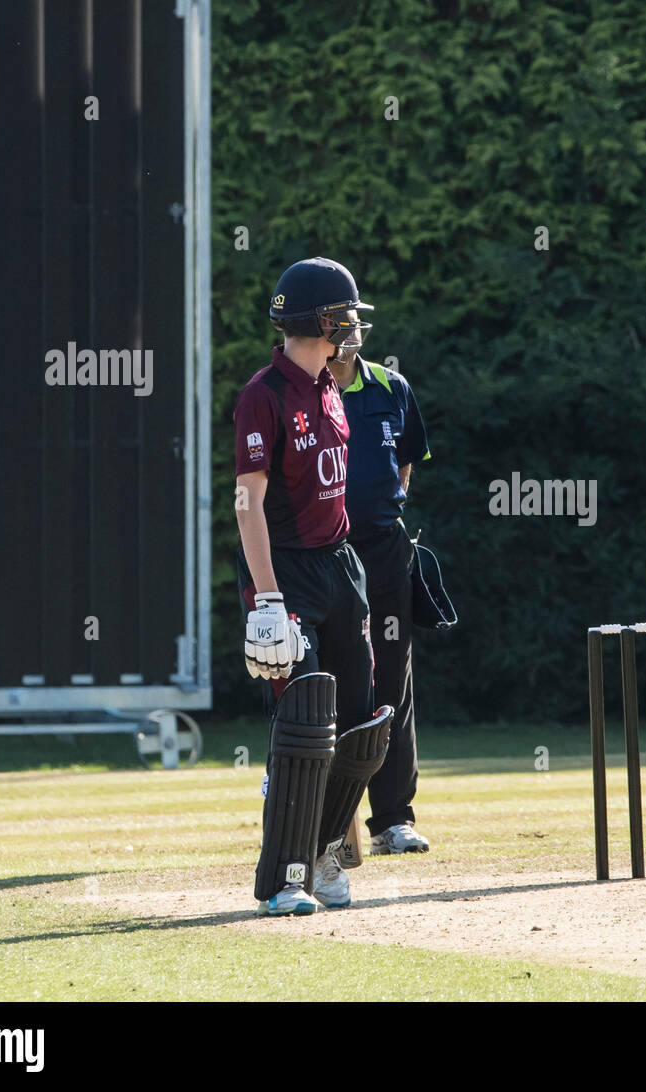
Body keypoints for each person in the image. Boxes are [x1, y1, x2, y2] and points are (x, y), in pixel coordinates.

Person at [233, 257, 393, 915]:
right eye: (344, 316)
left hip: (339, 564)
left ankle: (327, 850)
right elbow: (247, 502)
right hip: (289, 573)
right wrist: (267, 598)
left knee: (360, 724)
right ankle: (283, 878)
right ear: (318, 319)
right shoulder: (263, 393)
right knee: (303, 728)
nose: (353, 328)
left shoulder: (331, 383)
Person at [338, 339, 432, 853]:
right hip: (322, 553)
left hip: (385, 550)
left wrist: (384, 515)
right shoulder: (297, 388)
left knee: (392, 679)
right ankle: (323, 820)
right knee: (328, 679)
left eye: (354, 320)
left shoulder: (391, 386)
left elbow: (405, 462)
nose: (349, 334)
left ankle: (393, 818)